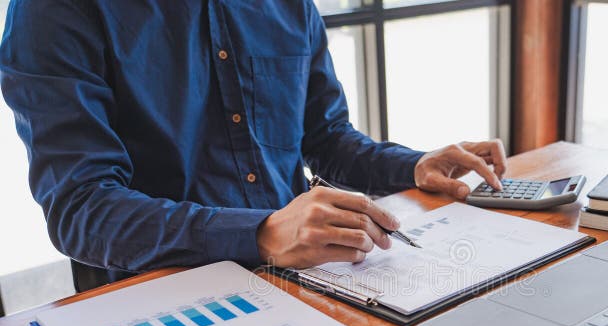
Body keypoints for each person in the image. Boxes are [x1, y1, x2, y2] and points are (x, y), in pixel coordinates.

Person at [0, 0, 507, 292]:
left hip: (303, 281)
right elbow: (80, 207)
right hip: (154, 299)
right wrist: (259, 233)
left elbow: (325, 138)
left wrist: (414, 165)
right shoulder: (55, 10)